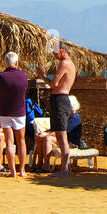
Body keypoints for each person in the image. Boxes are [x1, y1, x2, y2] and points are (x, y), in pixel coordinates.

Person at [36, 41, 77, 177]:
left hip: (60, 100)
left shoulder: (64, 64)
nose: (54, 56)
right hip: (61, 100)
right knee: (60, 135)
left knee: (61, 136)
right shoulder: (71, 64)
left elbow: (54, 84)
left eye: (55, 53)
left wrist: (42, 76)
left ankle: (64, 170)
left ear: (62, 50)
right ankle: (66, 168)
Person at [0, 52, 29, 178]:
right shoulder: (23, 75)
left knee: (9, 141)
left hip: (5, 111)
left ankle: (13, 171)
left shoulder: (0, 76)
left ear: (5, 63)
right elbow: (24, 90)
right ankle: (22, 170)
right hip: (19, 111)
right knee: (21, 140)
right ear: (17, 63)